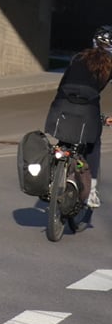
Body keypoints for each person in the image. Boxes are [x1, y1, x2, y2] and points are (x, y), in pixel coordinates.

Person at [44, 26, 112, 208]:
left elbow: (63, 84)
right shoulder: (109, 64)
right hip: (87, 109)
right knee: (93, 143)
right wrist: (104, 117)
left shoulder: (77, 58)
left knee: (63, 139)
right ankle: (91, 192)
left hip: (61, 104)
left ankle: (52, 178)